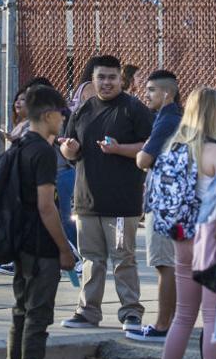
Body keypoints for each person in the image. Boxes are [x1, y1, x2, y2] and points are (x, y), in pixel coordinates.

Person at [59, 54, 154, 335]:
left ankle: (131, 314)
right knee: (91, 259)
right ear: (94, 79)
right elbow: (67, 150)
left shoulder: (133, 109)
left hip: (121, 203)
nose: (106, 83)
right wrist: (70, 149)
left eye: (112, 77)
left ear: (120, 80)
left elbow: (148, 148)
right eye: (101, 77)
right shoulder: (83, 110)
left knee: (123, 258)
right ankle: (87, 311)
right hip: (87, 200)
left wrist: (119, 149)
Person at [154, 87, 216, 359]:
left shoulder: (174, 148)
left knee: (182, 317)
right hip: (211, 238)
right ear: (212, 113)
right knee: (212, 317)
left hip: (180, 236)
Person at [6, 84, 78, 359]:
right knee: (37, 316)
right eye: (61, 115)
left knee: (21, 313)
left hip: (21, 242)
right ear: (49, 115)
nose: (62, 121)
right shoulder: (44, 153)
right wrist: (64, 247)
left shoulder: (20, 145)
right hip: (40, 245)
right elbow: (46, 206)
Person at [133, 69, 184, 338]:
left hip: (164, 204)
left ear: (167, 94)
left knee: (165, 265)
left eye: (151, 89)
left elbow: (144, 159)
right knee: (169, 265)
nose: (146, 94)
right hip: (171, 202)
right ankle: (172, 322)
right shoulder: (169, 117)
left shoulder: (167, 119)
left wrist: (141, 154)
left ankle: (164, 324)